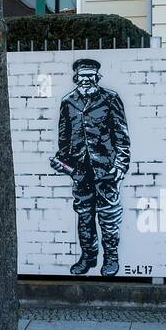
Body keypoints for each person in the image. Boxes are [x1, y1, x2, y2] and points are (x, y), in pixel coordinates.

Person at [51, 58, 131, 276]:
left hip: (106, 169)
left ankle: (111, 258)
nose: (86, 80)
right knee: (84, 216)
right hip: (80, 171)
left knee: (108, 216)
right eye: (82, 76)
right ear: (76, 77)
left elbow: (121, 136)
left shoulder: (110, 99)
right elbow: (64, 137)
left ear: (97, 77)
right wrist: (63, 161)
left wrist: (121, 165)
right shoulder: (68, 101)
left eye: (90, 75)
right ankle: (88, 257)